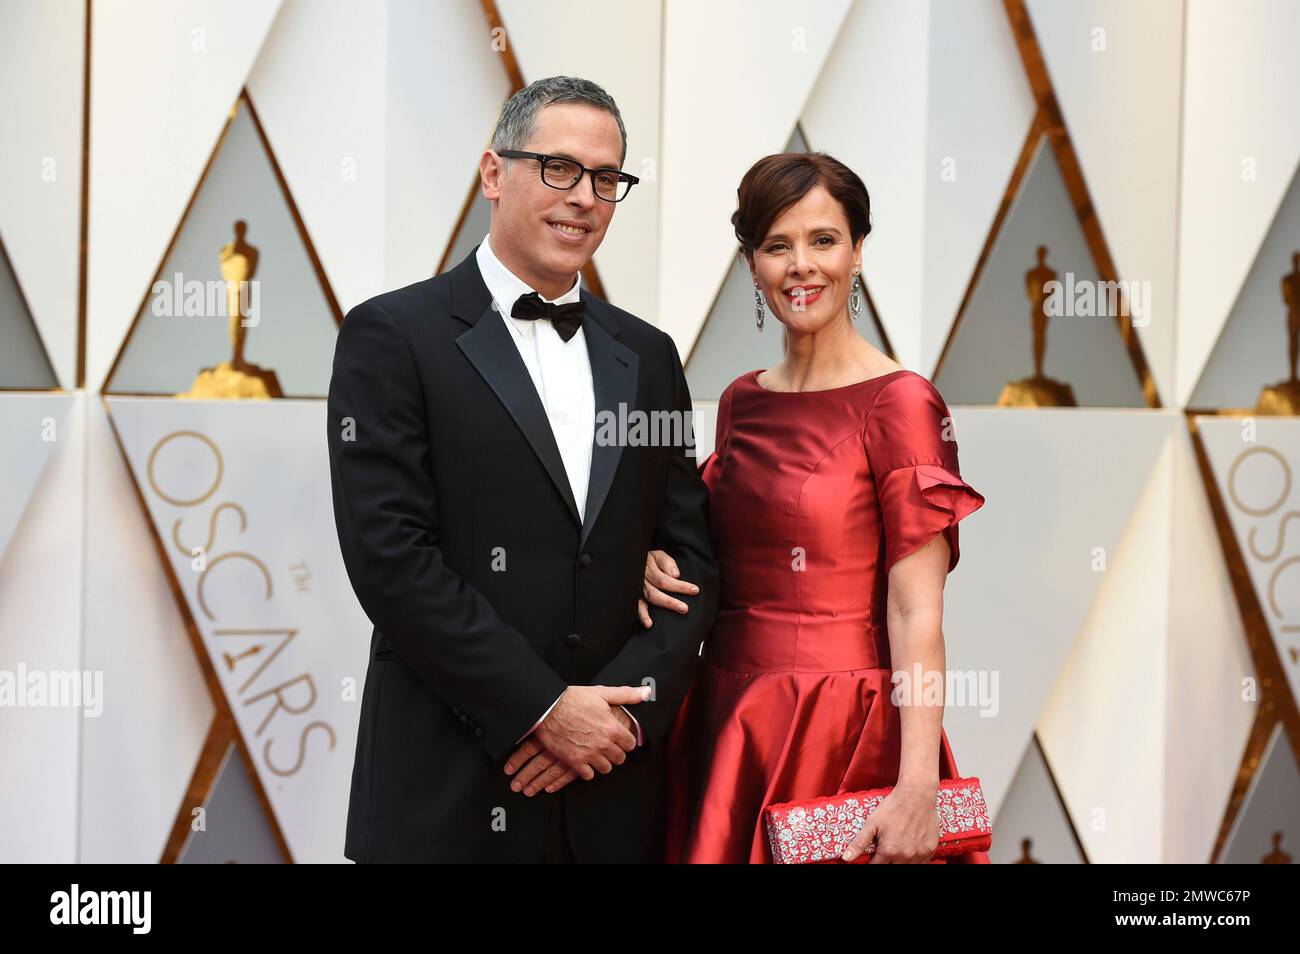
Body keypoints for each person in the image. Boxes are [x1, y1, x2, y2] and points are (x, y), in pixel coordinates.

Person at [327, 76, 718, 863]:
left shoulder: (648, 355)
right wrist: (542, 709)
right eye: (559, 168)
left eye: (606, 179)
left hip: (612, 798)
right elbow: (390, 557)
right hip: (449, 792)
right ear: (494, 172)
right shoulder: (392, 335)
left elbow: (693, 558)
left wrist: (622, 718)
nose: (584, 197)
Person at [640, 151, 989, 864]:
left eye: (823, 241)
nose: (802, 266)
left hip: (846, 730)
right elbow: (722, 552)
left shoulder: (902, 402)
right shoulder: (741, 400)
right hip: (727, 719)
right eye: (778, 245)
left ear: (858, 251)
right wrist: (648, 560)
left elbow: (917, 611)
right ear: (752, 265)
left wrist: (918, 786)